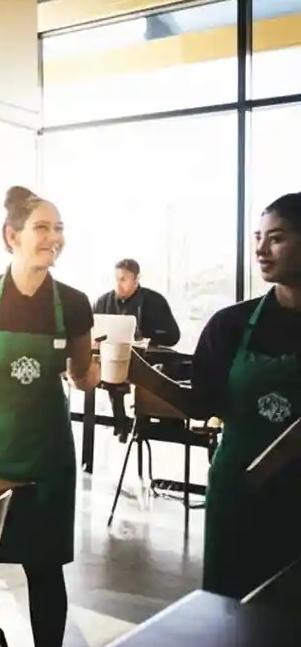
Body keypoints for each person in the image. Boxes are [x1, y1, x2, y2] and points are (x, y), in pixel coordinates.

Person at [0, 186, 100, 647]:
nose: (54, 238)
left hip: (45, 458)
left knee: (45, 565)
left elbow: (82, 376)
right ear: (11, 236)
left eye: (59, 229)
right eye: (42, 227)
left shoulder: (73, 305)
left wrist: (107, 368)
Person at [187, 192, 301, 598]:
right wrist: (141, 379)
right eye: (258, 237)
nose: (261, 249)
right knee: (229, 616)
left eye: (277, 237)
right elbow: (203, 403)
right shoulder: (230, 324)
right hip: (238, 497)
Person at [92, 258, 182, 347]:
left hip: (145, 357)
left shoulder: (155, 301)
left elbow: (173, 337)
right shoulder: (102, 302)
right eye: (116, 279)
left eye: (123, 280)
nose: (118, 285)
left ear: (136, 279)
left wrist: (147, 336)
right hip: (108, 356)